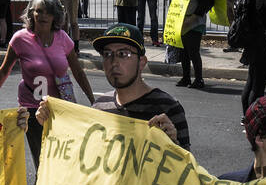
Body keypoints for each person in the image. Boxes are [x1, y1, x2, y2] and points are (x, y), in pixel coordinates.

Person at [0, 0, 96, 166]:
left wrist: (92, 100)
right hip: (31, 107)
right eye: (39, 11)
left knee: (61, 159)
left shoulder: (63, 38)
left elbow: (78, 72)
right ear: (31, 13)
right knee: (42, 160)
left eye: (48, 12)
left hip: (60, 108)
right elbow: (4, 70)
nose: (43, 16)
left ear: (55, 16)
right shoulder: (20, 39)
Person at [40, 23, 190, 149]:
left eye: (123, 54)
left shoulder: (168, 108)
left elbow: (187, 174)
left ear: (142, 62)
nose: (114, 62)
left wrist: (173, 143)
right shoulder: (99, 108)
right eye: (107, 54)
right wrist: (51, 124)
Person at [174, 0, 212, 89]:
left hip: (195, 23)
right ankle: (186, 78)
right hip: (183, 22)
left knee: (193, 51)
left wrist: (194, 17)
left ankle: (199, 79)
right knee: (183, 52)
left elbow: (205, 3)